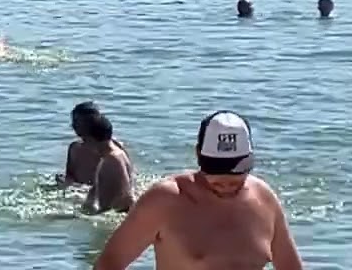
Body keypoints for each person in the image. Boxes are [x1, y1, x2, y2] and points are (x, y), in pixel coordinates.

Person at [92, 111, 305, 270]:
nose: (225, 180)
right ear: (198, 155)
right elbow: (109, 264)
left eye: (235, 171)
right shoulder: (166, 199)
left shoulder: (264, 198)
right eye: (215, 169)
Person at [57, 101, 129, 187]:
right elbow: (69, 176)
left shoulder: (113, 149)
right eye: (74, 121)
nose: (74, 125)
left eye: (78, 121)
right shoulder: (74, 148)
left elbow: (127, 181)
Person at [80, 113, 135, 214]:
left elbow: (106, 208)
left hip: (120, 219)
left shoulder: (109, 162)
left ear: (89, 139)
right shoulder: (120, 153)